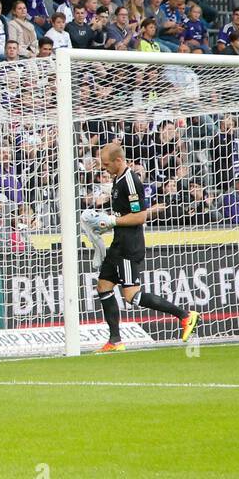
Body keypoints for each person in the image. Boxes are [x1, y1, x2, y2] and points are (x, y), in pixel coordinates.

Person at [91, 143, 199, 352]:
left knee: (132, 296)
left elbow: (140, 216)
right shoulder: (117, 179)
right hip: (119, 243)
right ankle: (115, 340)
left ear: (118, 161)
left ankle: (185, 316)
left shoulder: (130, 182)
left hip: (129, 247)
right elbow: (123, 215)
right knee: (103, 286)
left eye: (106, 165)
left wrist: (112, 221)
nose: (104, 169)